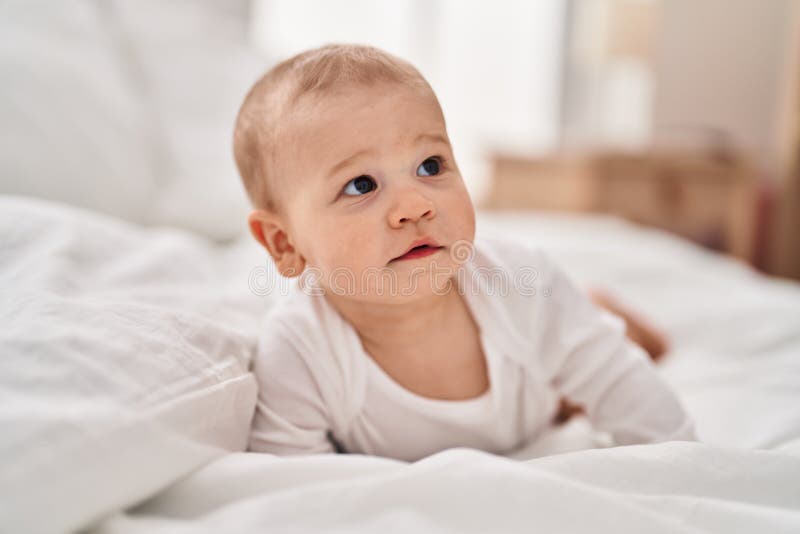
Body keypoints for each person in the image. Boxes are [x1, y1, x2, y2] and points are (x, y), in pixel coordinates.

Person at [233, 44, 695, 461]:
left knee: (586, 357)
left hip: (538, 395)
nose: (415, 206)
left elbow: (623, 386)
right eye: (361, 185)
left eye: (430, 166)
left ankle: (596, 312)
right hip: (525, 393)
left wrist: (679, 460)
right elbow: (295, 487)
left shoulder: (519, 282)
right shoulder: (300, 349)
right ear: (284, 243)